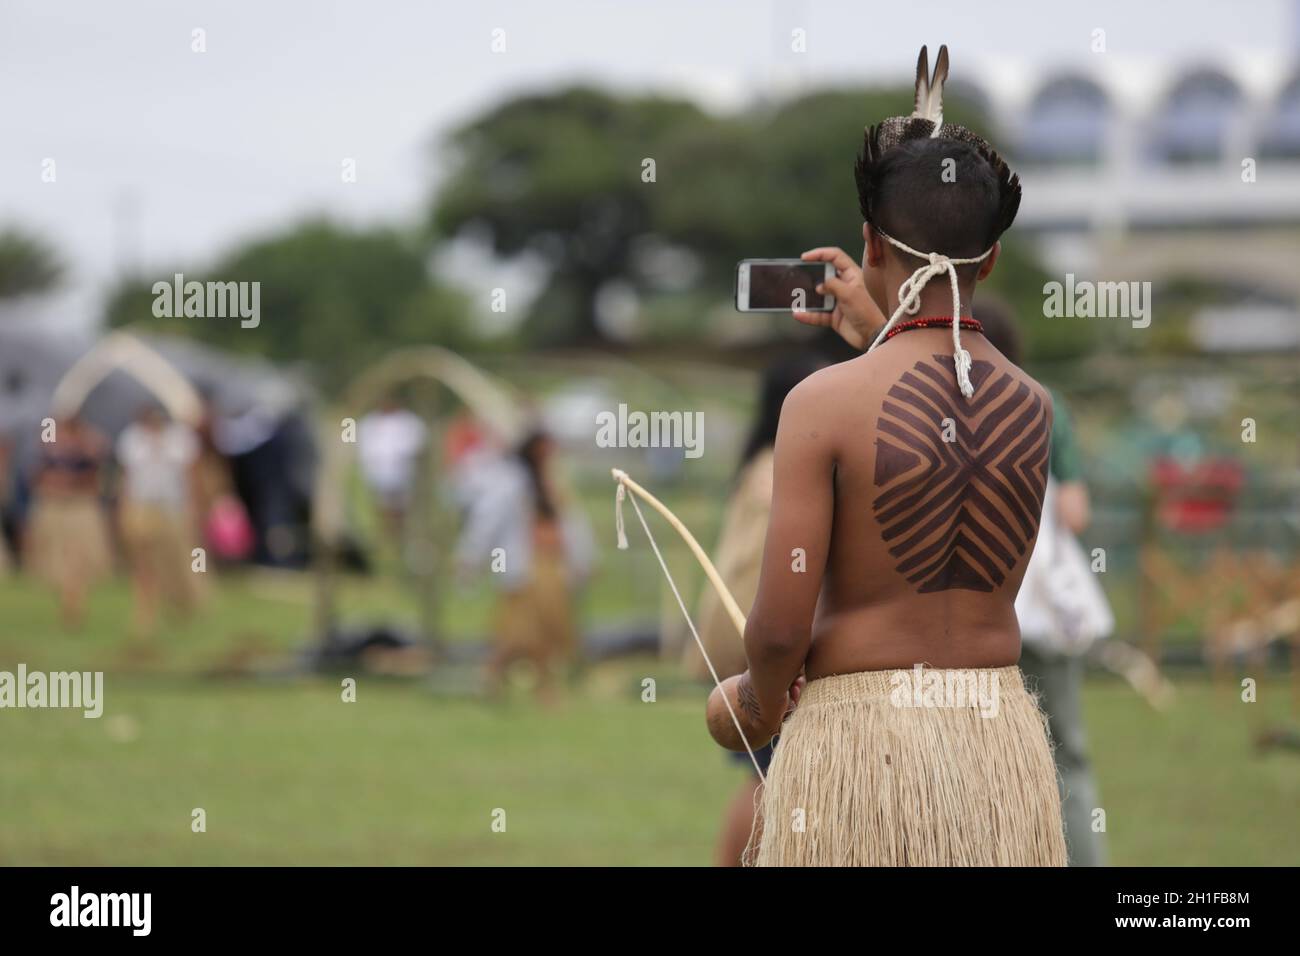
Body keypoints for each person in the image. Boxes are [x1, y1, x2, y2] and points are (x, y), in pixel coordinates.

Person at [705, 45, 1067, 866]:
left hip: (862, 750)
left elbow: (776, 635)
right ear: (995, 258)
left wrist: (746, 707)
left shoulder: (819, 405)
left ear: (870, 244)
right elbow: (943, 418)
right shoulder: (1031, 406)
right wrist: (878, 334)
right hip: (996, 744)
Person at [977, 300, 1113, 867]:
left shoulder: (951, 405)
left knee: (984, 762)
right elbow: (1075, 514)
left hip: (977, 613)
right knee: (1065, 756)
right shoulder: (1043, 403)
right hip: (1044, 614)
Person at [694, 353, 828, 866]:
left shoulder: (766, 462)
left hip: (754, 633)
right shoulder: (780, 467)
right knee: (766, 775)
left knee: (766, 772)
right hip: (760, 637)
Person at [456, 428, 593, 705]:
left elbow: (571, 528)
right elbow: (488, 521)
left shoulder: (551, 484)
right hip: (526, 568)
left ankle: (538, 687)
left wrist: (582, 560)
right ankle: (495, 678)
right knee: (519, 633)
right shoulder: (511, 482)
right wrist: (471, 557)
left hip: (552, 566)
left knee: (549, 630)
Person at [116, 404, 201, 639]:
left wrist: (192, 508)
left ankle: (181, 602)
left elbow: (190, 475)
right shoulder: (132, 438)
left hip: (171, 508)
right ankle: (145, 612)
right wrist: (124, 507)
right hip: (142, 507)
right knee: (144, 562)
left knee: (176, 561)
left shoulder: (180, 439)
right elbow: (128, 476)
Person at [23, 415, 113, 627]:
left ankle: (73, 605)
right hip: (54, 508)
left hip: (79, 509)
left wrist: (70, 481)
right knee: (56, 563)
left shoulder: (90, 449)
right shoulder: (47, 450)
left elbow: (97, 481)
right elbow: (34, 479)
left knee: (77, 561)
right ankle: (68, 603)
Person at [357, 397, 427, 542]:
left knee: (399, 509)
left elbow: (418, 445)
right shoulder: (369, 422)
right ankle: (384, 538)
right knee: (382, 508)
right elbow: (363, 449)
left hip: (402, 473)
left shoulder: (408, 421)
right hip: (377, 474)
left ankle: (398, 538)